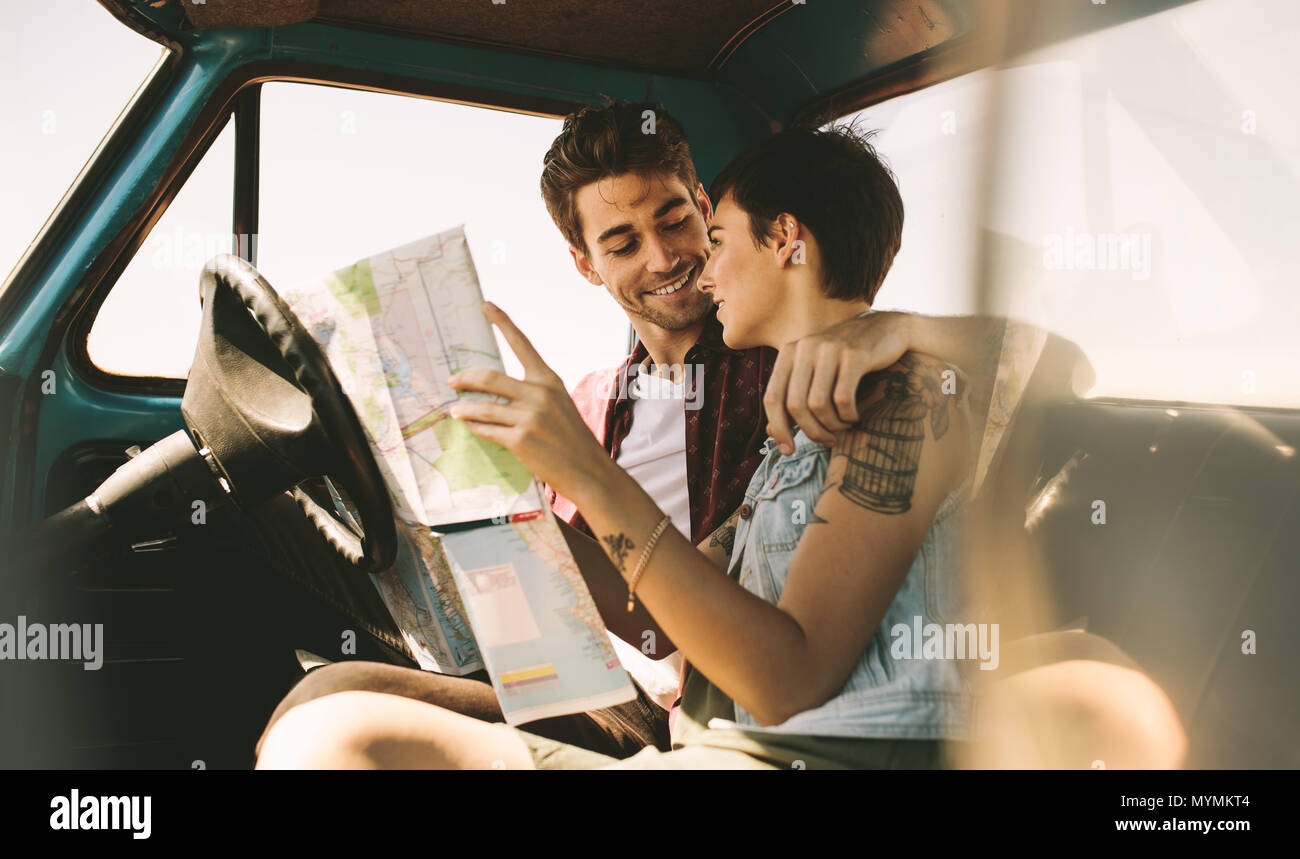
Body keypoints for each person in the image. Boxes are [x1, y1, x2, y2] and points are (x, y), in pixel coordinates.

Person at [254, 100, 1011, 762]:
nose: (691, 267)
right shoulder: (783, 433)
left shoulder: (849, 390)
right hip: (701, 722)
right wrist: (499, 513)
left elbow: (1053, 368)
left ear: (781, 237)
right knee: (324, 691)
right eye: (621, 243)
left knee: (336, 728)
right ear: (585, 264)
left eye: (702, 232)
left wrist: (589, 475)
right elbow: (659, 596)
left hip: (715, 722)